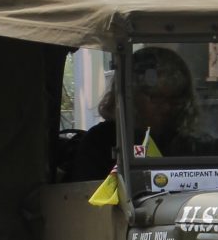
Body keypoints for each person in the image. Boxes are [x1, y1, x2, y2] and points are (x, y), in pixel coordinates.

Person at [67, 46, 200, 180]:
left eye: (174, 99)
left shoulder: (186, 144)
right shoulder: (101, 142)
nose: (166, 108)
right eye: (155, 98)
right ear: (131, 97)